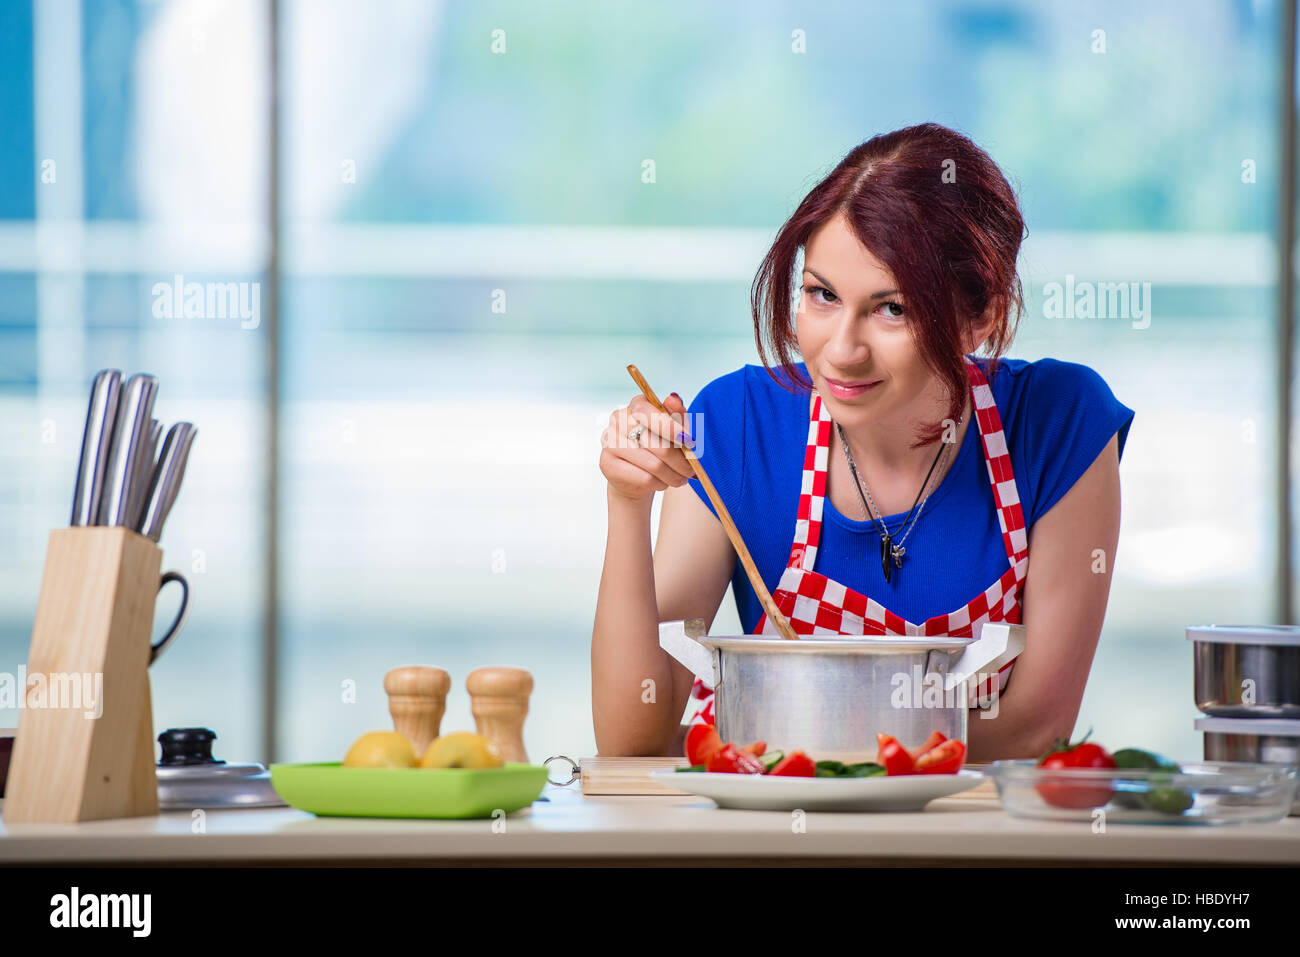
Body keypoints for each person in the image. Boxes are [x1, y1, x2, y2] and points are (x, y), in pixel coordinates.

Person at [591, 123, 1135, 762]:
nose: (842, 352)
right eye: (822, 295)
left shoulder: (1060, 421)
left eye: (893, 309)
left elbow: (1034, 729)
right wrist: (627, 505)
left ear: (981, 315)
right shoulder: (737, 424)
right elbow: (635, 735)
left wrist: (798, 750)